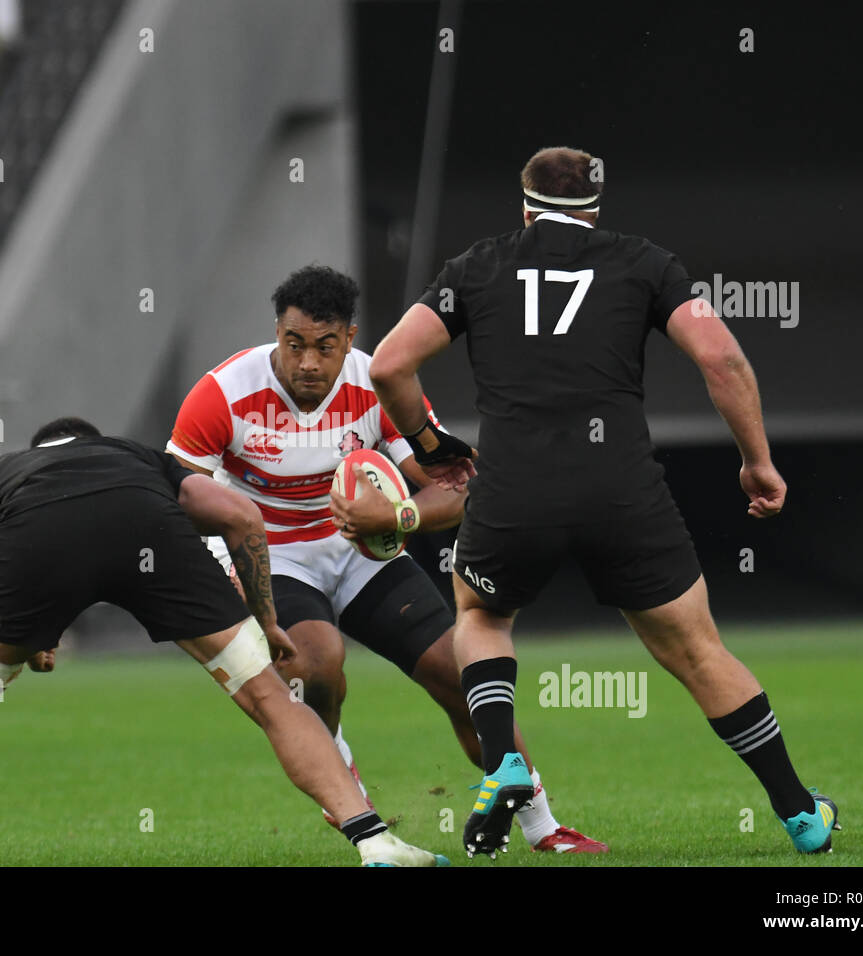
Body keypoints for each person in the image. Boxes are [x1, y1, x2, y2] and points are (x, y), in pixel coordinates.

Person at [368, 146, 839, 858]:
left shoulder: (478, 265)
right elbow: (722, 358)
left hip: (512, 490)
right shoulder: (643, 261)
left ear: (524, 206)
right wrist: (757, 461)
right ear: (595, 208)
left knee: (482, 614)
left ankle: (503, 760)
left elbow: (388, 364)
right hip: (621, 492)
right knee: (698, 650)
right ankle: (802, 814)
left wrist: (429, 445)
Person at [167, 265, 607, 853]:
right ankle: (339, 763)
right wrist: (222, 569)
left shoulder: (376, 381)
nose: (307, 364)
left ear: (349, 338)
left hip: (360, 549)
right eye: (293, 344)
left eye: (325, 347)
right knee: (317, 665)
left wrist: (396, 518)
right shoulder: (223, 392)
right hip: (273, 553)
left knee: (460, 675)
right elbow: (177, 495)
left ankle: (543, 827)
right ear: (278, 332)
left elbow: (455, 487)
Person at [0, 416, 446, 867]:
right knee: (269, 695)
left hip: (35, 532)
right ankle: (374, 841)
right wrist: (266, 619)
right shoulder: (139, 455)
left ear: (38, 451)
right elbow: (242, 516)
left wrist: (18, 639)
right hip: (144, 519)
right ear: (93, 442)